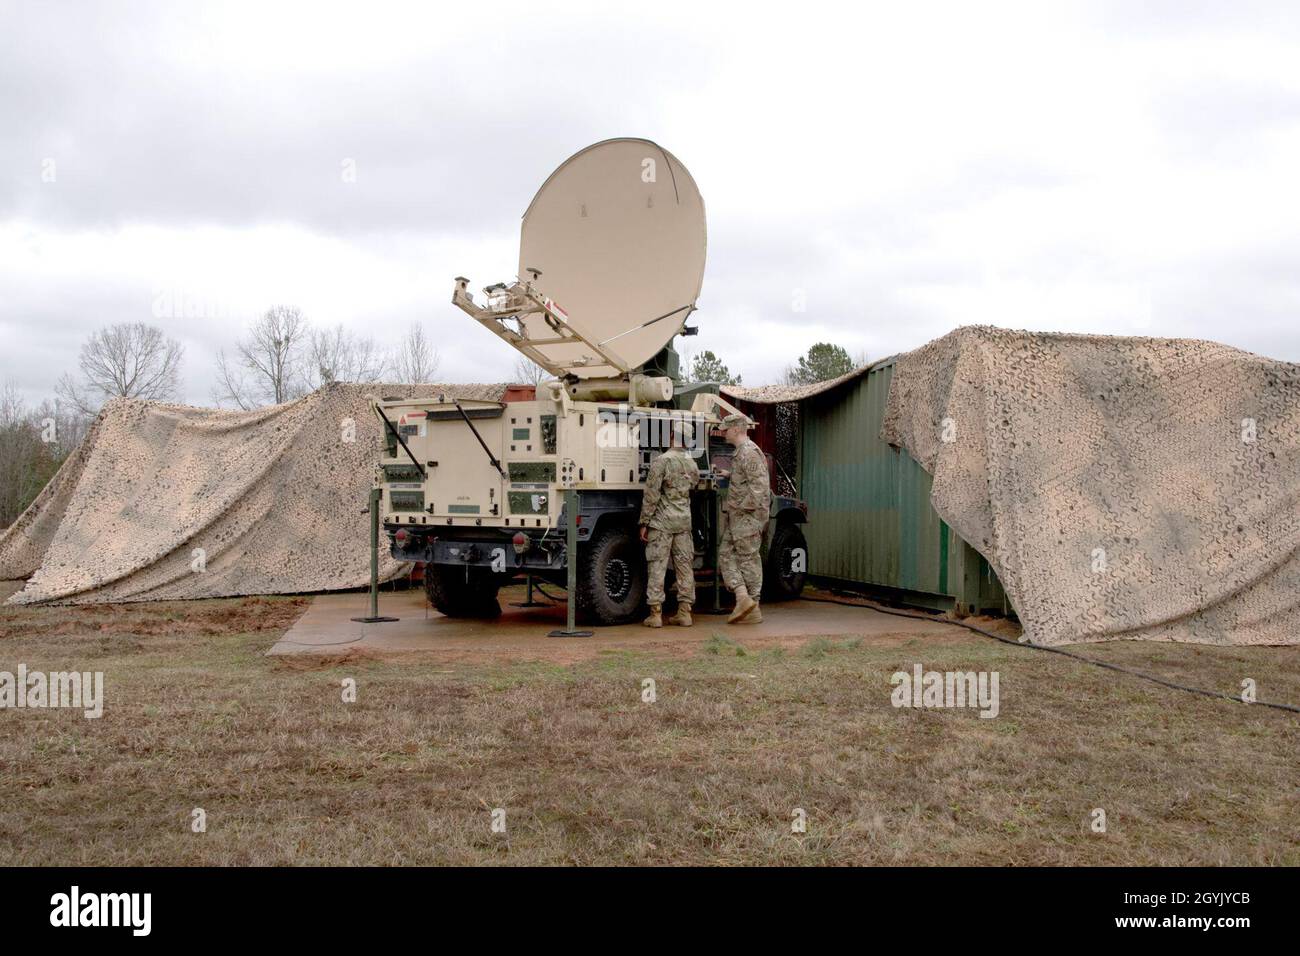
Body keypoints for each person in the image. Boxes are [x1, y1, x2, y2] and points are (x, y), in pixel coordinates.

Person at [638, 419, 699, 628]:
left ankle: (655, 614)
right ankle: (685, 612)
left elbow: (651, 494)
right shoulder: (692, 464)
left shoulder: (661, 461)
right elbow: (695, 484)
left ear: (673, 436)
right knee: (684, 567)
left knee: (657, 566)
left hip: (662, 522)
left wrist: (644, 521)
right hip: (683, 522)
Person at [718, 413, 770, 624]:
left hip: (747, 518)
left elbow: (759, 489)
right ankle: (742, 597)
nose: (723, 432)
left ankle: (753, 607)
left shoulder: (749, 453)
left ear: (737, 429)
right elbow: (747, 480)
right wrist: (729, 475)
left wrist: (740, 509)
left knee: (748, 560)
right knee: (726, 554)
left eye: (726, 429)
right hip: (739, 517)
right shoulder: (741, 453)